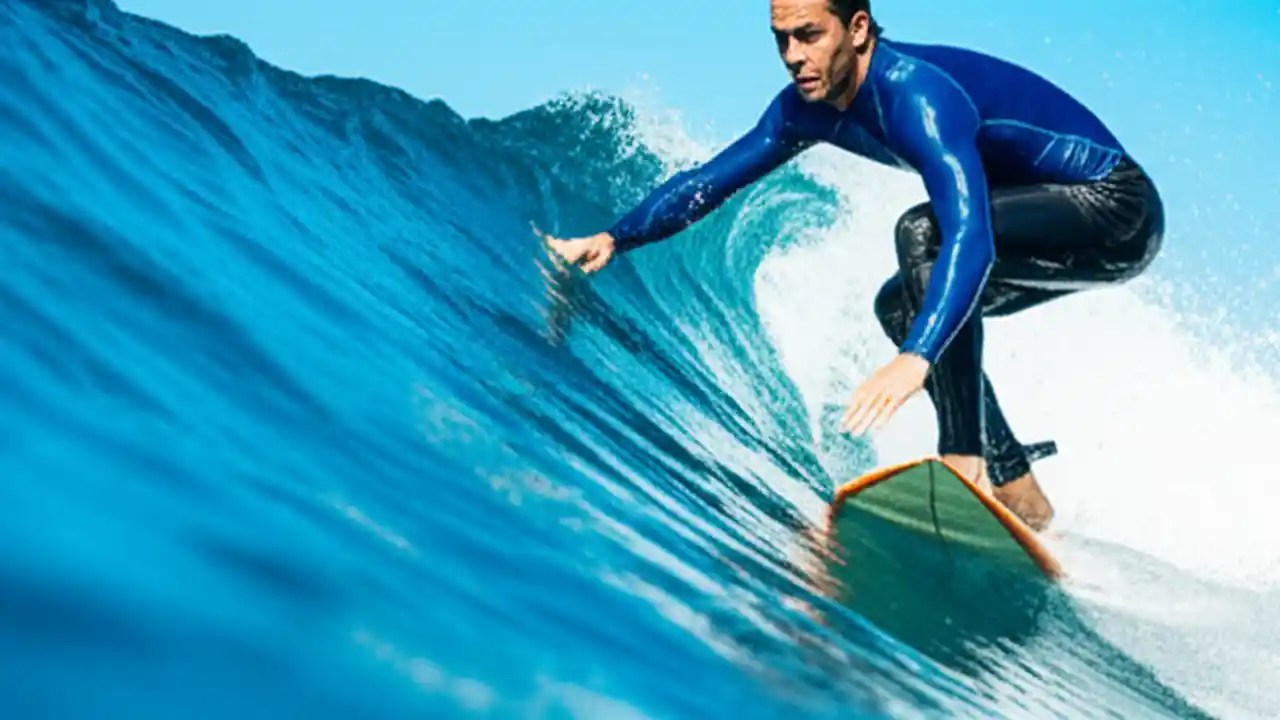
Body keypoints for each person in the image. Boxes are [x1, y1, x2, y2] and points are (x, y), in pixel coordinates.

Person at [541, 0, 1164, 531]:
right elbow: (710, 182)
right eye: (781, 38)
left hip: (1115, 207)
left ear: (858, 29)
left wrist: (916, 359)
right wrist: (615, 238)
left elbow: (969, 236)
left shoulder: (918, 97)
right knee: (898, 305)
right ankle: (1018, 488)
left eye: (809, 34)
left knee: (921, 233)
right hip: (1064, 222)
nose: (792, 55)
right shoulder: (803, 109)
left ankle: (964, 458)